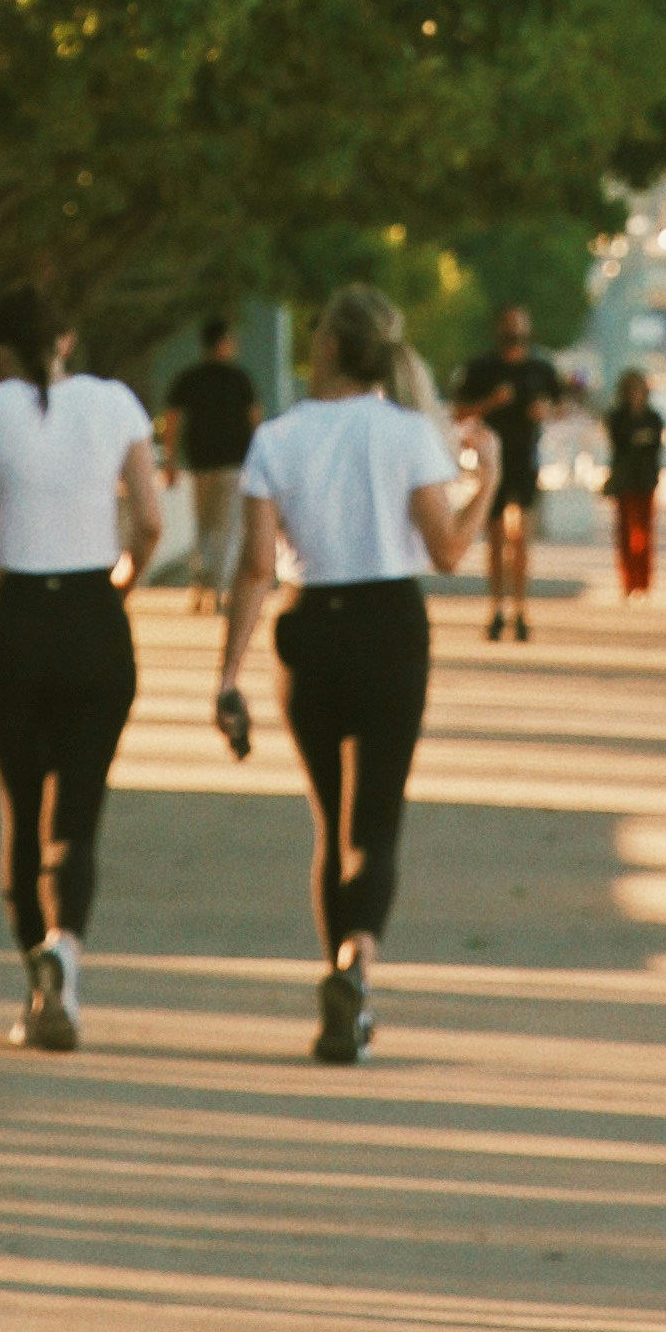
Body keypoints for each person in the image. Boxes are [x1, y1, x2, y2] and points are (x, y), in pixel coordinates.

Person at [216, 284, 482, 1064]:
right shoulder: (406, 435)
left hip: (310, 629)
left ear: (328, 347)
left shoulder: (277, 438)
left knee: (331, 822)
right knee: (378, 820)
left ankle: (341, 980)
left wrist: (227, 674)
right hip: (391, 627)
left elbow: (257, 567)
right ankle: (353, 967)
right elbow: (447, 551)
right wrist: (489, 482)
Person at [0, 286, 167, 1052]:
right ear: (66, 339)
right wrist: (126, 573)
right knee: (77, 810)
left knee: (19, 805)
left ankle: (33, 972)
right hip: (93, 618)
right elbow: (153, 516)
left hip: (13, 620)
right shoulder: (116, 405)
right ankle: (66, 949)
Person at [449, 300, 566, 646]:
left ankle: (521, 608)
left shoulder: (540, 368)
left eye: (520, 325)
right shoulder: (482, 368)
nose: (515, 332)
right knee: (497, 537)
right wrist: (491, 403)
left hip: (525, 459)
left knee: (522, 537)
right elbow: (459, 412)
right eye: (509, 325)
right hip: (491, 462)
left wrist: (544, 410)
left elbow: (561, 404)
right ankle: (496, 607)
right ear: (500, 329)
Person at [161, 312, 260, 618]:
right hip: (233, 466)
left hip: (200, 464)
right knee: (228, 530)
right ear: (222, 343)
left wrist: (171, 461)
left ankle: (203, 588)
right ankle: (219, 591)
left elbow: (173, 422)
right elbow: (255, 422)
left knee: (203, 527)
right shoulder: (240, 379)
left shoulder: (189, 378)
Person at [599, 366, 666, 601]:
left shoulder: (654, 418)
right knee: (625, 532)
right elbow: (621, 443)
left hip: (646, 479)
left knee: (645, 532)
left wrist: (637, 439)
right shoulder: (617, 417)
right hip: (625, 480)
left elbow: (653, 446)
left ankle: (644, 581)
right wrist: (639, 439)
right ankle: (628, 581)